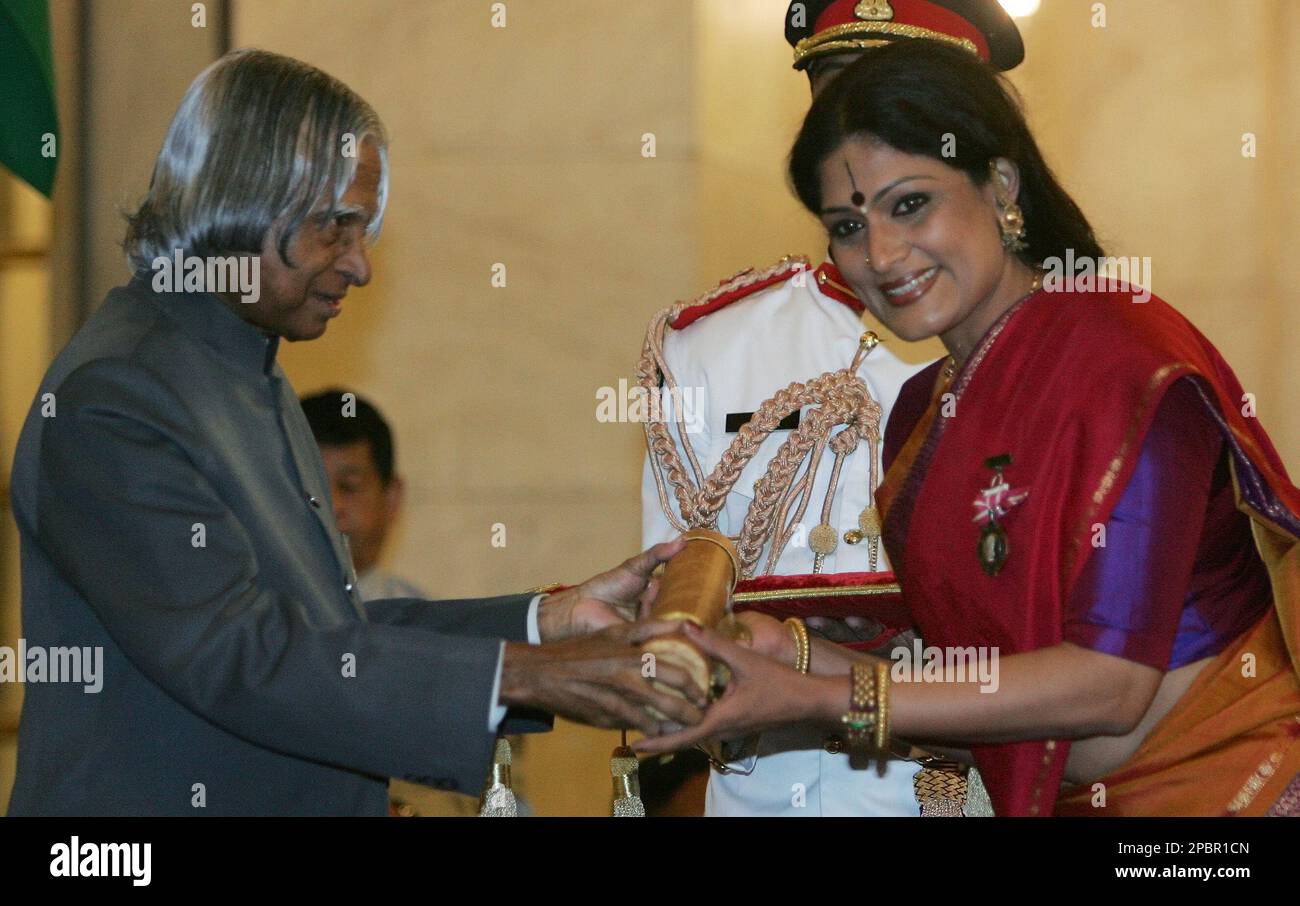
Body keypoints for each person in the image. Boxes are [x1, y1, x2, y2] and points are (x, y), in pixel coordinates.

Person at [6, 49, 706, 816]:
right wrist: (524, 674)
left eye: (362, 229)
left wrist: (550, 622)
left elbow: (324, 630)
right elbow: (241, 655)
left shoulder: (242, 367)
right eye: (335, 227)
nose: (361, 265)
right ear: (241, 195)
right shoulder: (118, 393)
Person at [638, 40, 1300, 817]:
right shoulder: (925, 409)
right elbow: (992, 689)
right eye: (847, 226)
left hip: (1227, 798)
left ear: (1001, 184)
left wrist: (822, 696)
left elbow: (1111, 686)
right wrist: (797, 651)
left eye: (910, 204)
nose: (882, 255)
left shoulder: (1123, 359)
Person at [640, 0, 1023, 816]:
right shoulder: (710, 347)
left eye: (896, 112)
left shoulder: (1061, 347)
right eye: (836, 104)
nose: (859, 146)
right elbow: (674, 616)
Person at [300, 388, 425, 601]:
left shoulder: (429, 628)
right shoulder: (242, 625)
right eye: (311, 486)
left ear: (391, 498)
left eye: (349, 486)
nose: (332, 506)